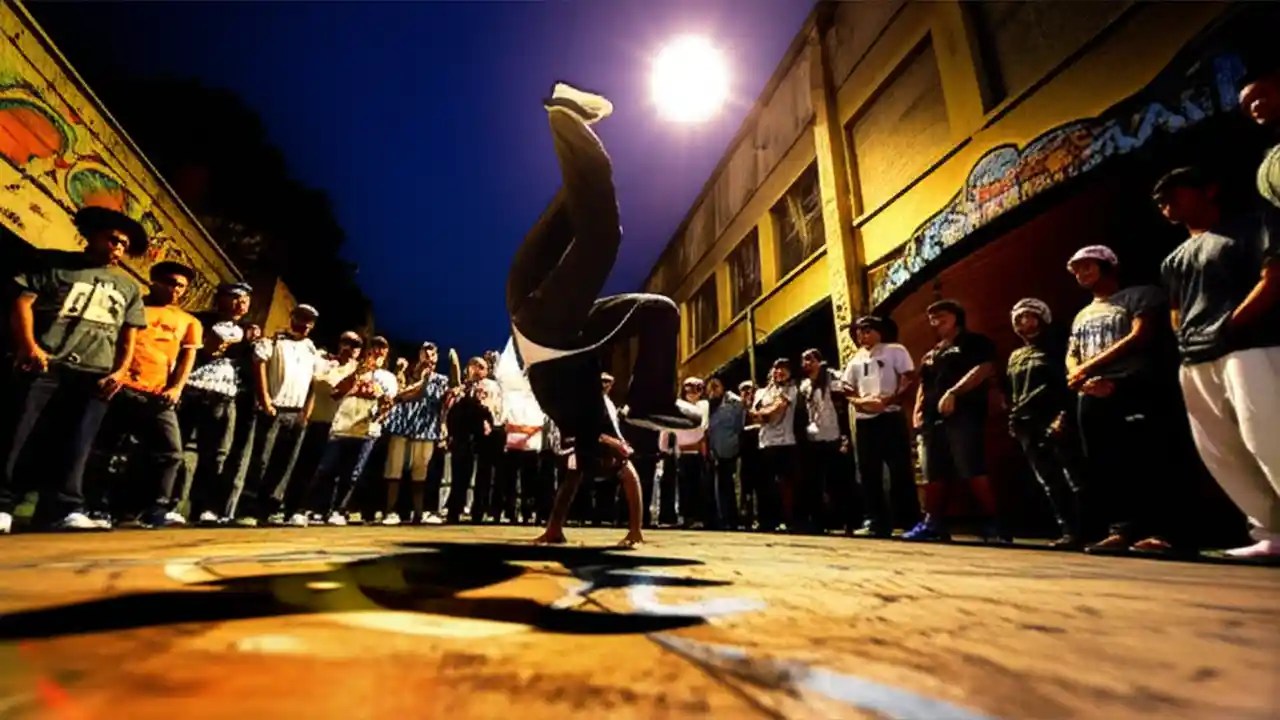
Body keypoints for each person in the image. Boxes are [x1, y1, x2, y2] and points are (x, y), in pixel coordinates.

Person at [505, 81, 695, 548]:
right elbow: (613, 470)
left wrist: (595, 460)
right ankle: (653, 398)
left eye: (614, 452)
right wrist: (631, 533)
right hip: (542, 312)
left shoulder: (582, 426)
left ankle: (563, 115)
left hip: (549, 332)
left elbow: (582, 472)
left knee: (603, 237)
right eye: (620, 453)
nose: (623, 449)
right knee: (659, 310)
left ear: (600, 449)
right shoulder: (597, 435)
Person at [1155, 167, 1280, 559]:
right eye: (1160, 201)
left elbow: (1273, 277)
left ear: (1209, 187)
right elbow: (1176, 310)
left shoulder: (1254, 224)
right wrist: (1185, 339)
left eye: (1174, 193)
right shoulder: (1172, 260)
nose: (1166, 204)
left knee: (1269, 437)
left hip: (1249, 347)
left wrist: (1230, 325)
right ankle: (1271, 533)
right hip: (1194, 359)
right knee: (1221, 451)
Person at [1, 207, 148, 534]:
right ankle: (4, 503)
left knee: (77, 442)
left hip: (95, 374)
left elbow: (130, 334)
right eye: (113, 239)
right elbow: (22, 302)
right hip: (46, 363)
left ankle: (63, 508)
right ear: (93, 236)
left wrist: (121, 371)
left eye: (125, 244)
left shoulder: (129, 288)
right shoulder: (54, 264)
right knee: (20, 434)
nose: (119, 248)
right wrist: (28, 345)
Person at [1065, 245, 1183, 555]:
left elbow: (1140, 335)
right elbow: (1072, 353)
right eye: (1077, 269)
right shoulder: (1082, 314)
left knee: (1147, 458)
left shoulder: (1140, 295)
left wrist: (1090, 369)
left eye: (1087, 266)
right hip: (1091, 392)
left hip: (1133, 386)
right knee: (1104, 465)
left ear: (1108, 265)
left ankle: (1160, 532)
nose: (1081, 273)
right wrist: (1081, 377)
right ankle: (1120, 531)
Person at [86, 261, 202, 529]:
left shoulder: (189, 321)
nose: (175, 289)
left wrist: (176, 388)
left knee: (170, 453)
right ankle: (95, 507)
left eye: (181, 286)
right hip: (120, 386)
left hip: (158, 395)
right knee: (105, 450)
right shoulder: (134, 305)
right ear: (155, 281)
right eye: (170, 282)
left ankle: (153, 508)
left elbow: (188, 357)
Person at [908, 300, 1002, 543]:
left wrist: (954, 392)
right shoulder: (932, 352)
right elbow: (923, 384)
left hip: (963, 415)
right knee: (933, 473)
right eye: (932, 317)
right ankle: (933, 524)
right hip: (931, 421)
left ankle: (994, 524)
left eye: (941, 315)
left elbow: (984, 368)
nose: (936, 321)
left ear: (956, 317)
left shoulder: (974, 342)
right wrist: (918, 411)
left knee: (971, 467)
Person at [231, 304, 322, 526]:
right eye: (301, 318)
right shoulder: (274, 342)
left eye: (310, 320)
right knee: (261, 459)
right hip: (274, 407)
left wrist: (306, 413)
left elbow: (314, 382)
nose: (305, 324)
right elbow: (259, 366)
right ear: (292, 317)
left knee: (284, 463)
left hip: (296, 412)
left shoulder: (311, 350)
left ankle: (269, 508)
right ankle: (248, 508)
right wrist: (265, 400)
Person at [1004, 298, 1083, 549]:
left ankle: (1089, 529)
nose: (1023, 322)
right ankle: (1068, 531)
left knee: (1074, 476)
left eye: (1029, 316)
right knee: (1049, 480)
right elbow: (1012, 390)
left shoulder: (1059, 347)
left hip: (1055, 418)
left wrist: (1064, 415)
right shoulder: (1016, 355)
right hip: (1026, 424)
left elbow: (1068, 383)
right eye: (1018, 319)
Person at [299, 336, 397, 525]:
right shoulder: (351, 368)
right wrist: (357, 376)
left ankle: (339, 510)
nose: (377, 354)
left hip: (366, 431)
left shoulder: (387, 378)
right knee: (326, 469)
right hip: (341, 426)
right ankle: (313, 509)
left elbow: (388, 405)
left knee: (352, 474)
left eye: (381, 352)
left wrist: (381, 412)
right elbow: (336, 392)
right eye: (374, 350)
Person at [181, 281, 252, 524]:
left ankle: (203, 509)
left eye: (245, 299)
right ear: (221, 298)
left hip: (225, 397)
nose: (241, 303)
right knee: (180, 450)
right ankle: (169, 505)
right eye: (235, 297)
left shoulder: (249, 332)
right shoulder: (199, 321)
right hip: (193, 390)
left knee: (216, 457)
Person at [842, 316, 918, 537]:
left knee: (900, 469)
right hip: (865, 420)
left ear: (879, 331)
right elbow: (847, 387)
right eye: (858, 331)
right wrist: (860, 402)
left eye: (866, 330)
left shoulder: (895, 350)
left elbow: (909, 377)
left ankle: (909, 520)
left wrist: (889, 400)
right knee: (868, 471)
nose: (861, 335)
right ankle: (877, 521)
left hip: (890, 416)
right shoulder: (855, 359)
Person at [286, 331, 362, 522]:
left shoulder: (361, 370)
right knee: (310, 467)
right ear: (340, 343)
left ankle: (322, 510)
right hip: (321, 421)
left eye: (355, 345)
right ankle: (296, 508)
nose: (350, 348)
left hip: (347, 427)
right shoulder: (326, 362)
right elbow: (325, 387)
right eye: (347, 342)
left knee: (336, 472)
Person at [380, 341, 449, 525]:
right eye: (426, 353)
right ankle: (390, 511)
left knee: (421, 472)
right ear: (419, 355)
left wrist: (443, 426)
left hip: (425, 429)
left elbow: (442, 405)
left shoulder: (441, 380)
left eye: (433, 354)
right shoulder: (406, 374)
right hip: (401, 426)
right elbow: (399, 394)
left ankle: (419, 513)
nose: (429, 357)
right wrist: (420, 380)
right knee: (394, 469)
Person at [798, 349, 850, 533]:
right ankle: (820, 521)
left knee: (838, 480)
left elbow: (843, 406)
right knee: (815, 482)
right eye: (804, 360)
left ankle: (845, 520)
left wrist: (845, 435)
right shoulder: (805, 386)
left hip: (834, 435)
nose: (807, 363)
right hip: (814, 437)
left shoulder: (833, 378)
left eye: (810, 360)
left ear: (819, 361)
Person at [749, 358, 800, 533]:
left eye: (784, 369)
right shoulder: (761, 393)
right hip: (765, 442)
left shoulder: (791, 389)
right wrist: (763, 413)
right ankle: (767, 521)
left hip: (785, 441)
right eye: (777, 368)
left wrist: (763, 413)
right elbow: (753, 413)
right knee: (766, 484)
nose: (780, 372)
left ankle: (789, 520)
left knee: (785, 484)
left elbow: (776, 410)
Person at [705, 377, 743, 531]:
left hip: (730, 450)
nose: (713, 390)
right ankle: (720, 520)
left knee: (731, 486)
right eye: (710, 387)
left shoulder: (733, 403)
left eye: (716, 386)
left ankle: (732, 520)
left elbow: (739, 426)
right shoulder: (708, 405)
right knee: (717, 487)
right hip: (713, 451)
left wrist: (735, 446)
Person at [737, 380, 762, 530]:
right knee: (744, 485)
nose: (748, 393)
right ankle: (745, 517)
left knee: (760, 485)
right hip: (742, 451)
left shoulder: (760, 405)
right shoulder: (737, 410)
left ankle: (759, 516)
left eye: (751, 390)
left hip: (758, 450)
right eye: (744, 390)